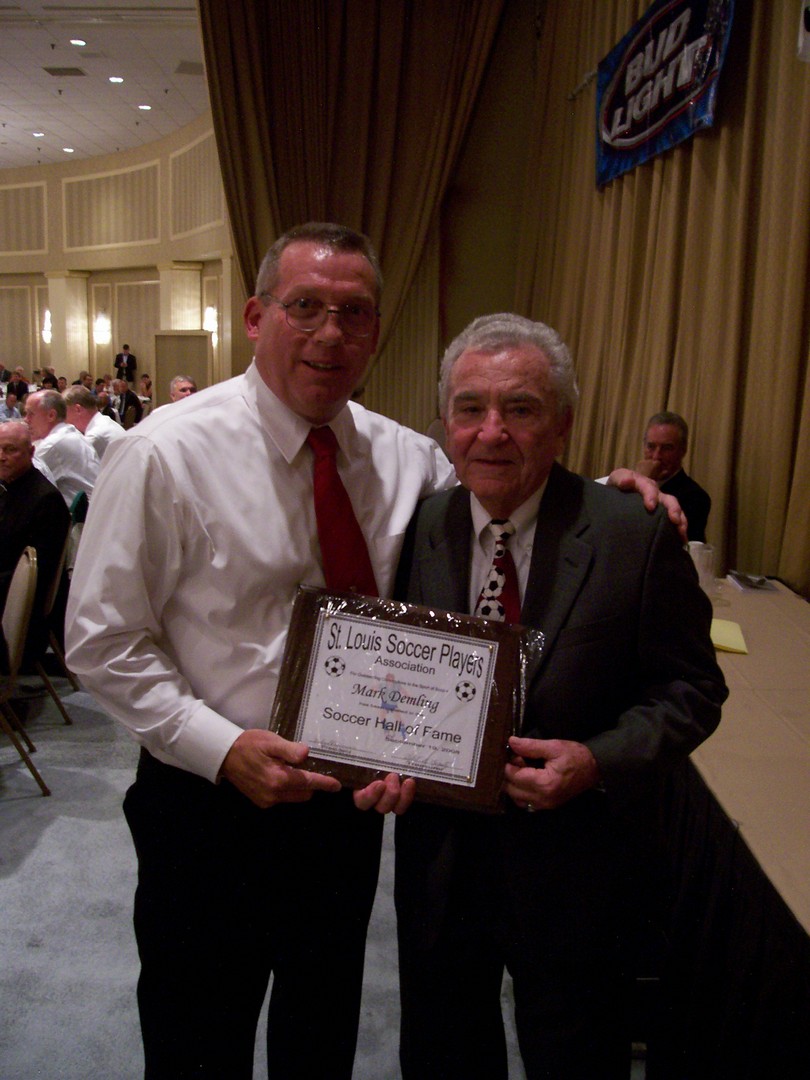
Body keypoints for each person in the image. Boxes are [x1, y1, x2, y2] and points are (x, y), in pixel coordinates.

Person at [65, 222, 456, 1080]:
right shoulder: (162, 452)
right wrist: (224, 748)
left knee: (320, 1038)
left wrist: (611, 499)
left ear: (376, 330)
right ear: (255, 315)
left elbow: (504, 528)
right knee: (196, 1039)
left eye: (354, 313)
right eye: (304, 306)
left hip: (341, 813)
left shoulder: (411, 462)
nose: (330, 334)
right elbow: (101, 642)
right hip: (205, 804)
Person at [393, 314, 727, 1080]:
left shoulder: (630, 534)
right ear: (446, 421)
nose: (492, 432)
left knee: (576, 1058)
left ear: (563, 425)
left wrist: (595, 760)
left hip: (582, 869)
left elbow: (692, 688)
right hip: (441, 864)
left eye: (521, 409)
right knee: (444, 1052)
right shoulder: (419, 527)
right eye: (470, 408)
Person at [0, 421, 71, 666]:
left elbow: (32, 581)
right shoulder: (11, 487)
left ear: (30, 453)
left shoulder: (44, 500)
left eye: (10, 450)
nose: (1, 457)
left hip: (20, 623)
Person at [640, 411, 711, 542]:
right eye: (651, 446)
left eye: (666, 448)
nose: (656, 456)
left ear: (683, 450)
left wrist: (644, 480)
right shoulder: (627, 482)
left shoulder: (695, 497)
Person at [23, 389, 99, 507]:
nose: (26, 419)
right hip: (94, 510)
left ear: (51, 415)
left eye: (30, 414)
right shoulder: (69, 433)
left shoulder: (54, 444)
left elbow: (23, 481)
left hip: (82, 520)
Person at [63, 384, 127, 460]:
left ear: (78, 409)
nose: (64, 419)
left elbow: (73, 466)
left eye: (65, 412)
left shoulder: (95, 436)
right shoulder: (104, 421)